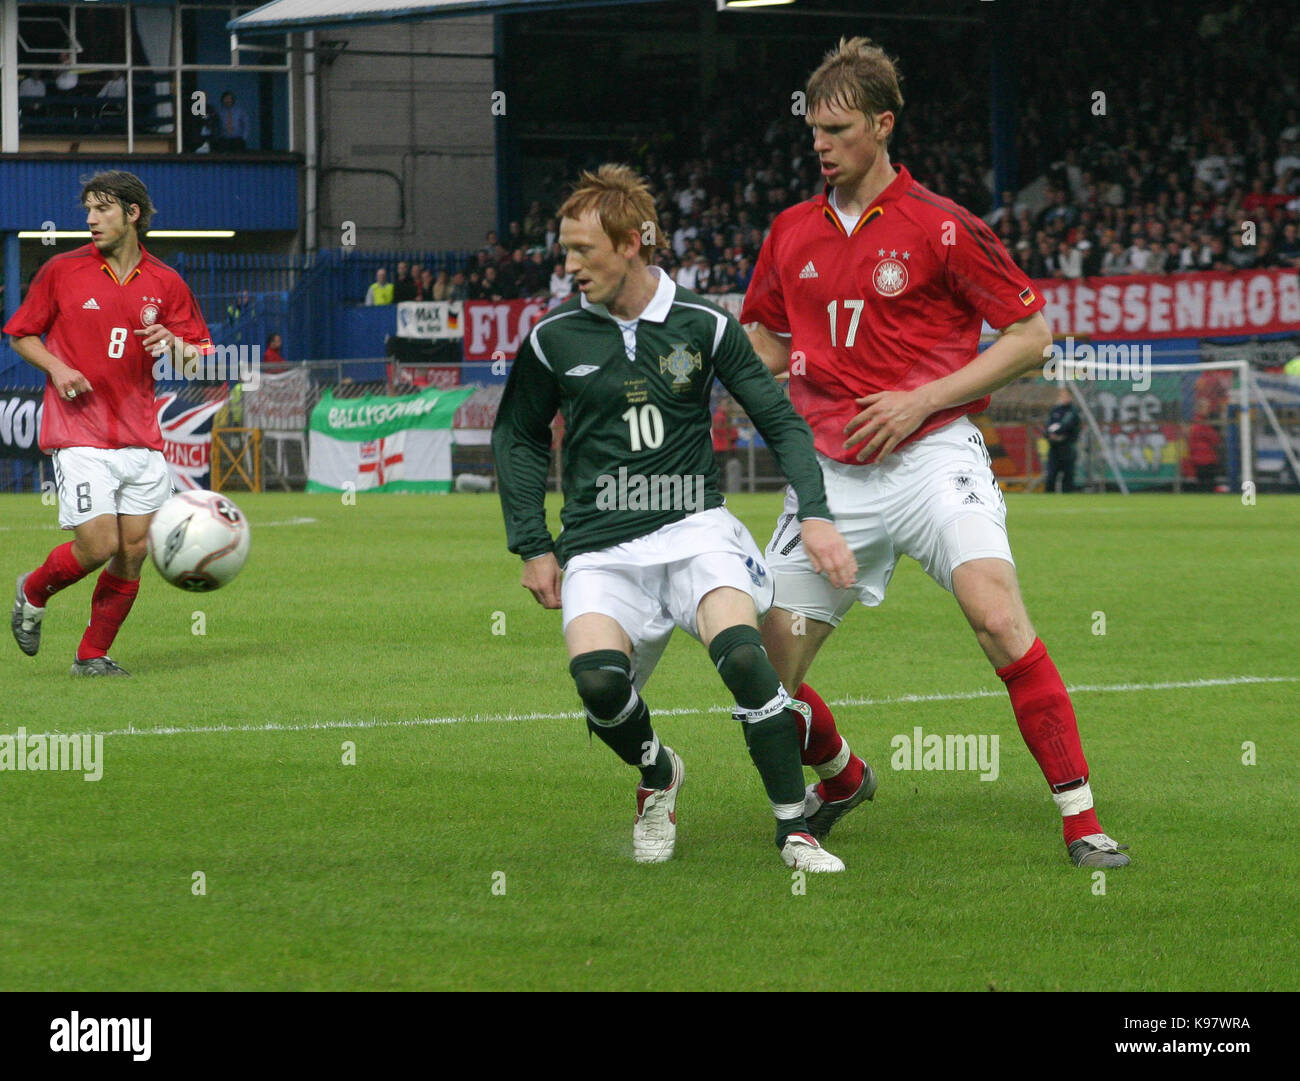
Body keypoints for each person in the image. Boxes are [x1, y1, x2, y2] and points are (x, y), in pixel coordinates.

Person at [741, 37, 1130, 869]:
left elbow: (1032, 336)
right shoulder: (788, 233)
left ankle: (1082, 821)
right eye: (814, 129)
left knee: (996, 614)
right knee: (764, 674)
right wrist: (702, 357)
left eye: (838, 129)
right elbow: (764, 342)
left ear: (883, 126)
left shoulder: (943, 227)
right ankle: (841, 775)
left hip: (931, 457)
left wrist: (924, 397)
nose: (820, 143)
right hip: (828, 479)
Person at [492, 164, 858, 872]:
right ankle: (658, 773)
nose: (568, 267)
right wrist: (532, 543)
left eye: (582, 252)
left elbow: (779, 418)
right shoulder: (553, 337)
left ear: (631, 242)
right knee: (599, 683)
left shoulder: (704, 322)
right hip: (599, 544)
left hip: (695, 530)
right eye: (564, 251)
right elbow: (519, 436)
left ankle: (793, 829)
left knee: (747, 658)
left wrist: (814, 512)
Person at [7, 171, 211, 676]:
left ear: (132, 214)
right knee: (99, 545)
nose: (91, 220)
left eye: (102, 210)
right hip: (79, 432)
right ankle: (32, 592)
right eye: (88, 211)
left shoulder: (167, 282)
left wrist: (175, 345)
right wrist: (58, 368)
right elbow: (21, 334)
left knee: (134, 551)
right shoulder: (62, 270)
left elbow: (197, 363)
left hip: (140, 436)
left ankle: (92, 656)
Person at [1043, 386, 1081, 492]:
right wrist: (1049, 434)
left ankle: (1067, 497)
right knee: (1051, 474)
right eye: (1062, 395)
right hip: (1054, 447)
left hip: (1067, 446)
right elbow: (1047, 426)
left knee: (1068, 474)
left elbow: (1068, 425)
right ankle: (1048, 498)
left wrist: (1058, 433)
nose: (1064, 398)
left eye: (1066, 395)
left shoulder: (1073, 411)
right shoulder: (1055, 410)